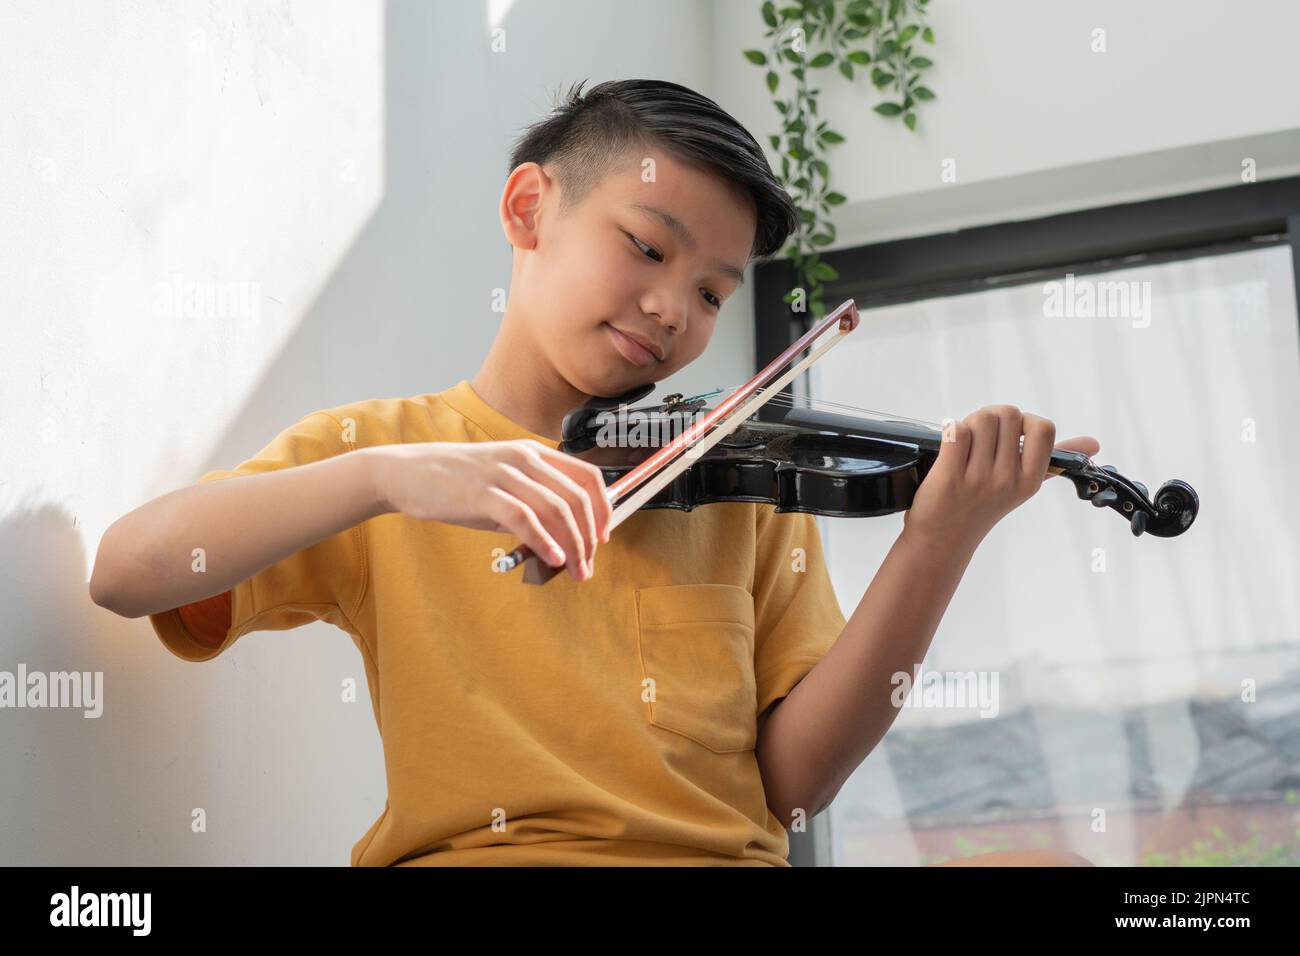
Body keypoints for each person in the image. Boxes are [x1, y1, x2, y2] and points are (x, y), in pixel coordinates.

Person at [90, 78, 1097, 867]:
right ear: (529, 209)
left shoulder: (737, 484)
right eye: (646, 248)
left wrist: (937, 541)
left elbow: (792, 786)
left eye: (710, 291)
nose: (673, 310)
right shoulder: (391, 452)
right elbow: (128, 570)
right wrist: (386, 479)